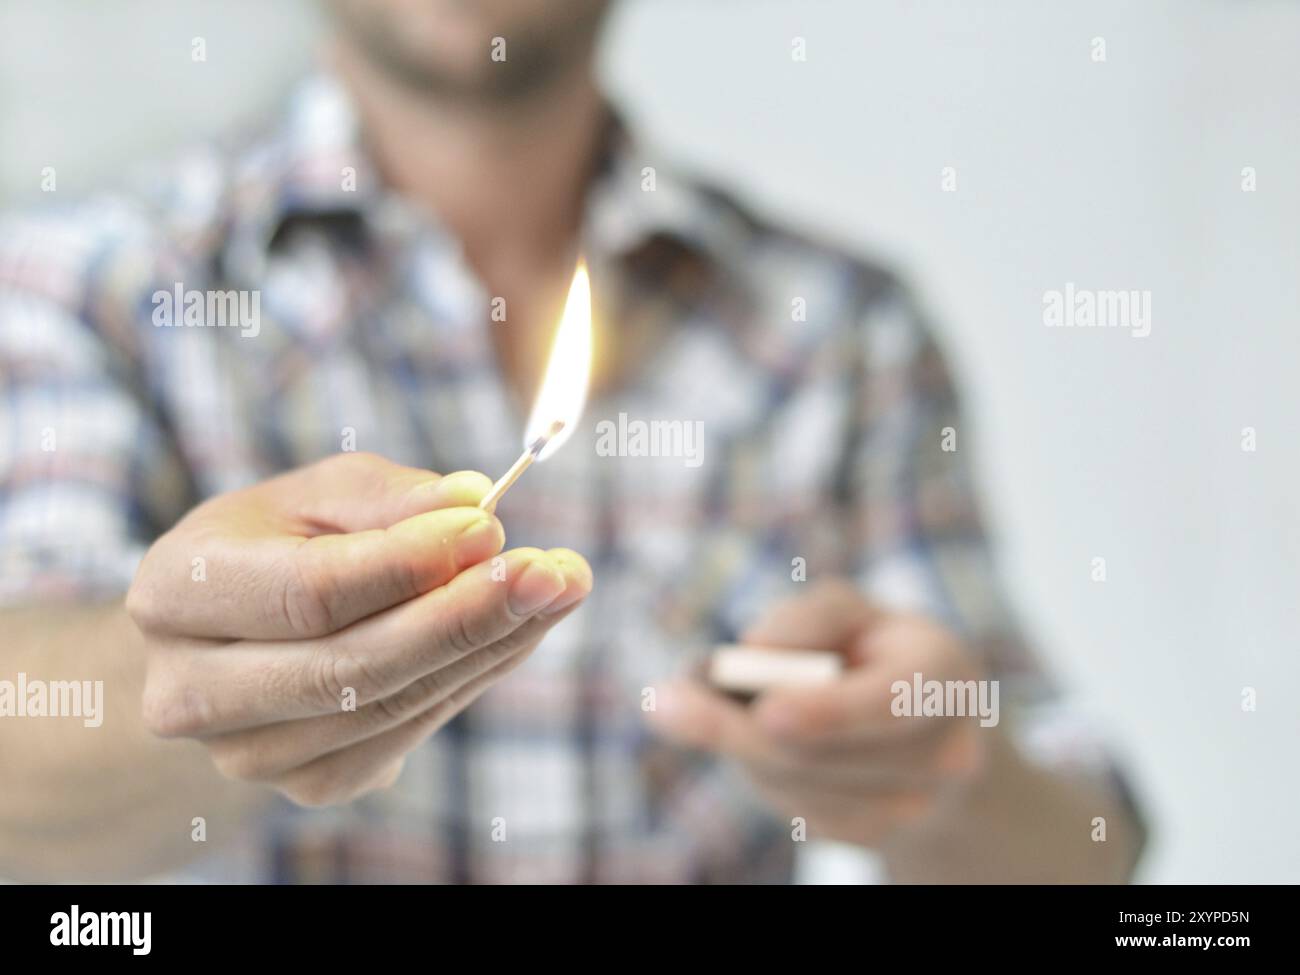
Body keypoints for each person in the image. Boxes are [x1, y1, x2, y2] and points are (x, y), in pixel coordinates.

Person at [0, 0, 1143, 883]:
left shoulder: (834, 332)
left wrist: (938, 767)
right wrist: (202, 679)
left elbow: (1088, 851)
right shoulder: (89, 288)